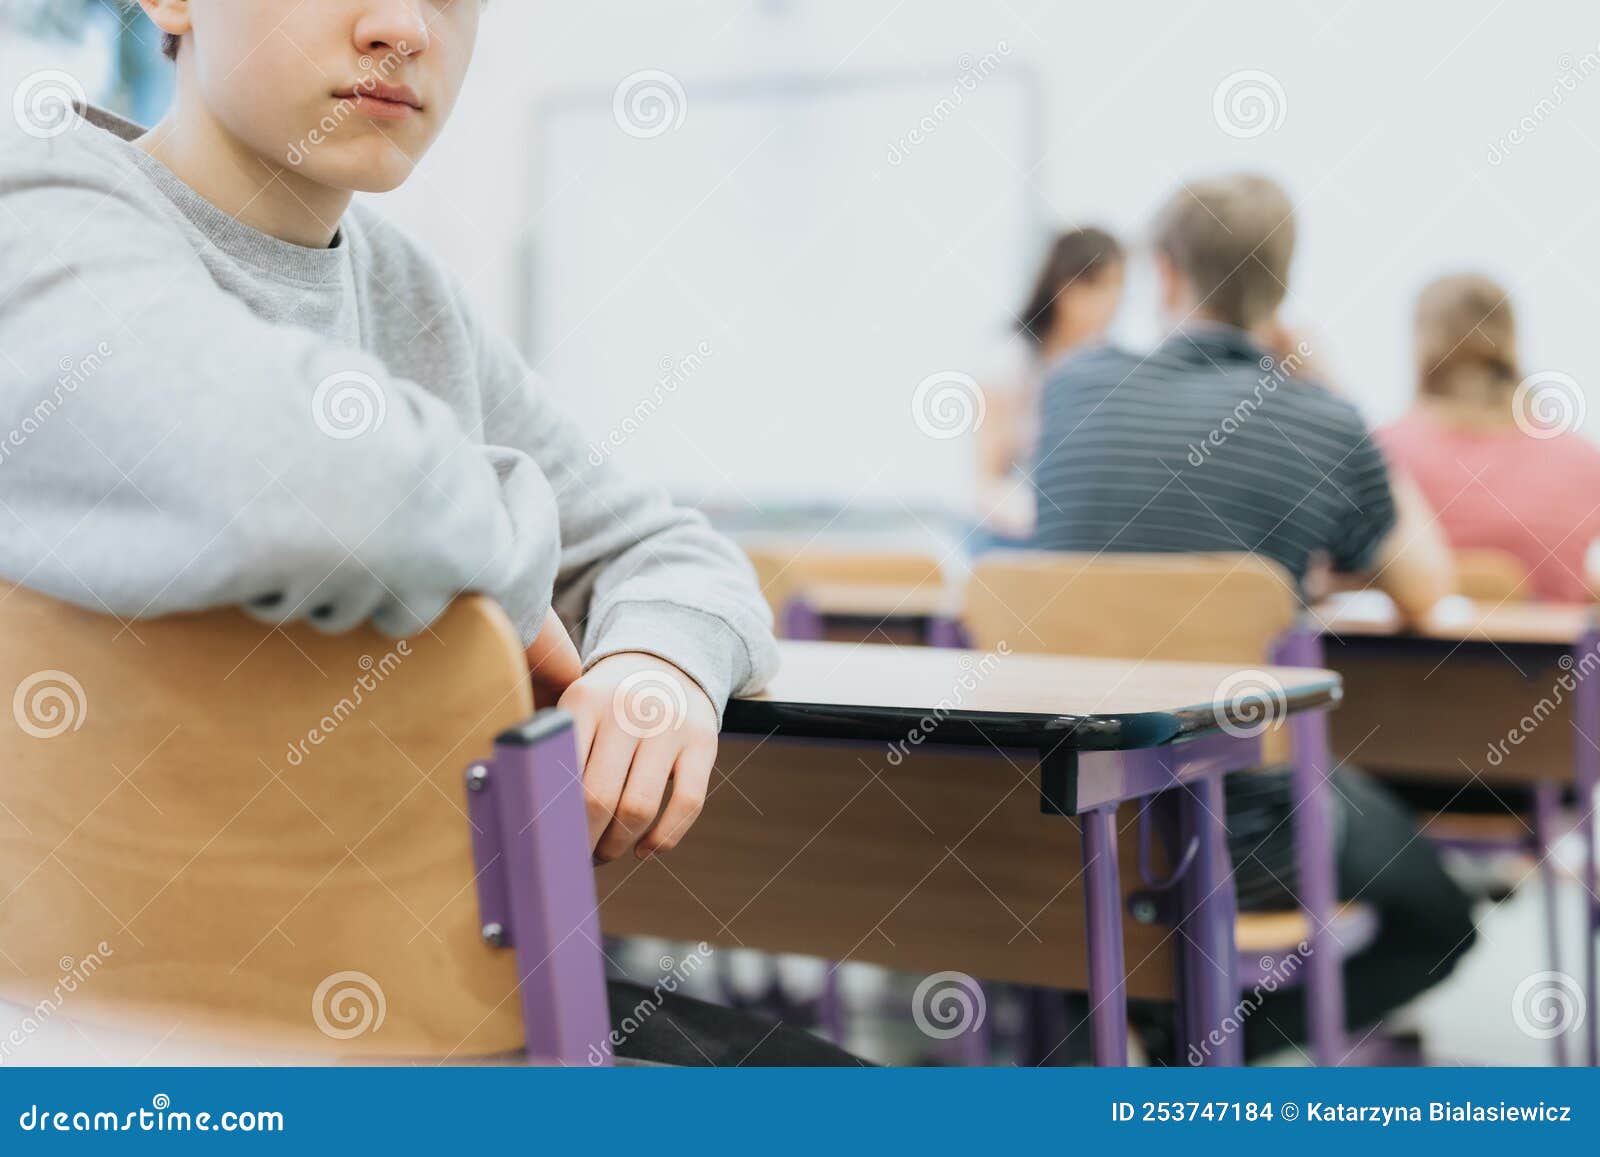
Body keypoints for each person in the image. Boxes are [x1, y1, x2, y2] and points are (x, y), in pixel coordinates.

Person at [0, 0, 859, 1066]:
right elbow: (313, 487)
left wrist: (657, 659)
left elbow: (670, 550)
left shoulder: (407, 293)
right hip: (104, 1044)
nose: (404, 26)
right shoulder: (34, 205)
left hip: (442, 1015)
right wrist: (514, 567)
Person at [1023, 173, 1475, 1058]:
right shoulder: (1320, 417)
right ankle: (1204, 1048)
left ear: (1162, 274)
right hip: (1250, 832)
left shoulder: (1073, 390)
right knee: (1442, 921)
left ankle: (1144, 1036)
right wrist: (1331, 387)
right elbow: (1429, 587)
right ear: (1282, 288)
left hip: (1069, 822)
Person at [1380, 273, 1600, 601]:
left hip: (1391, 653)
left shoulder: (1381, 454)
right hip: (1556, 653)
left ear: (1421, 347)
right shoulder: (1585, 461)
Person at [977, 227, 1125, 540]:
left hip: (1081, 525)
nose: (1113, 302)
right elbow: (986, 480)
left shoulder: (1110, 363)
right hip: (1013, 527)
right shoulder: (1011, 359)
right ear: (1063, 287)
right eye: (1100, 286)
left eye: (1119, 286)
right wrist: (1039, 518)